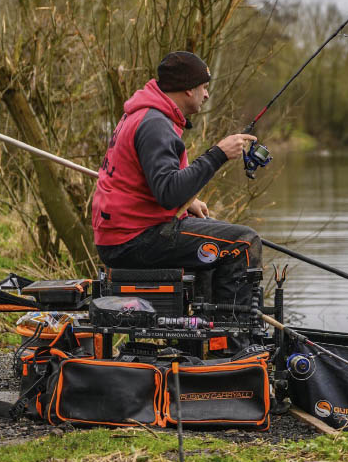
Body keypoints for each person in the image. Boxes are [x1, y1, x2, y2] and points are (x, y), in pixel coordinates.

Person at [92, 51, 261, 310]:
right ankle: (231, 343)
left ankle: (201, 336)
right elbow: (168, 193)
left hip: (124, 234)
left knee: (215, 242)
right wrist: (218, 154)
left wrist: (189, 200)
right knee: (243, 243)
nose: (206, 95)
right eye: (203, 88)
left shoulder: (145, 116)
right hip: (133, 239)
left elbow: (153, 183)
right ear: (186, 90)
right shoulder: (155, 124)